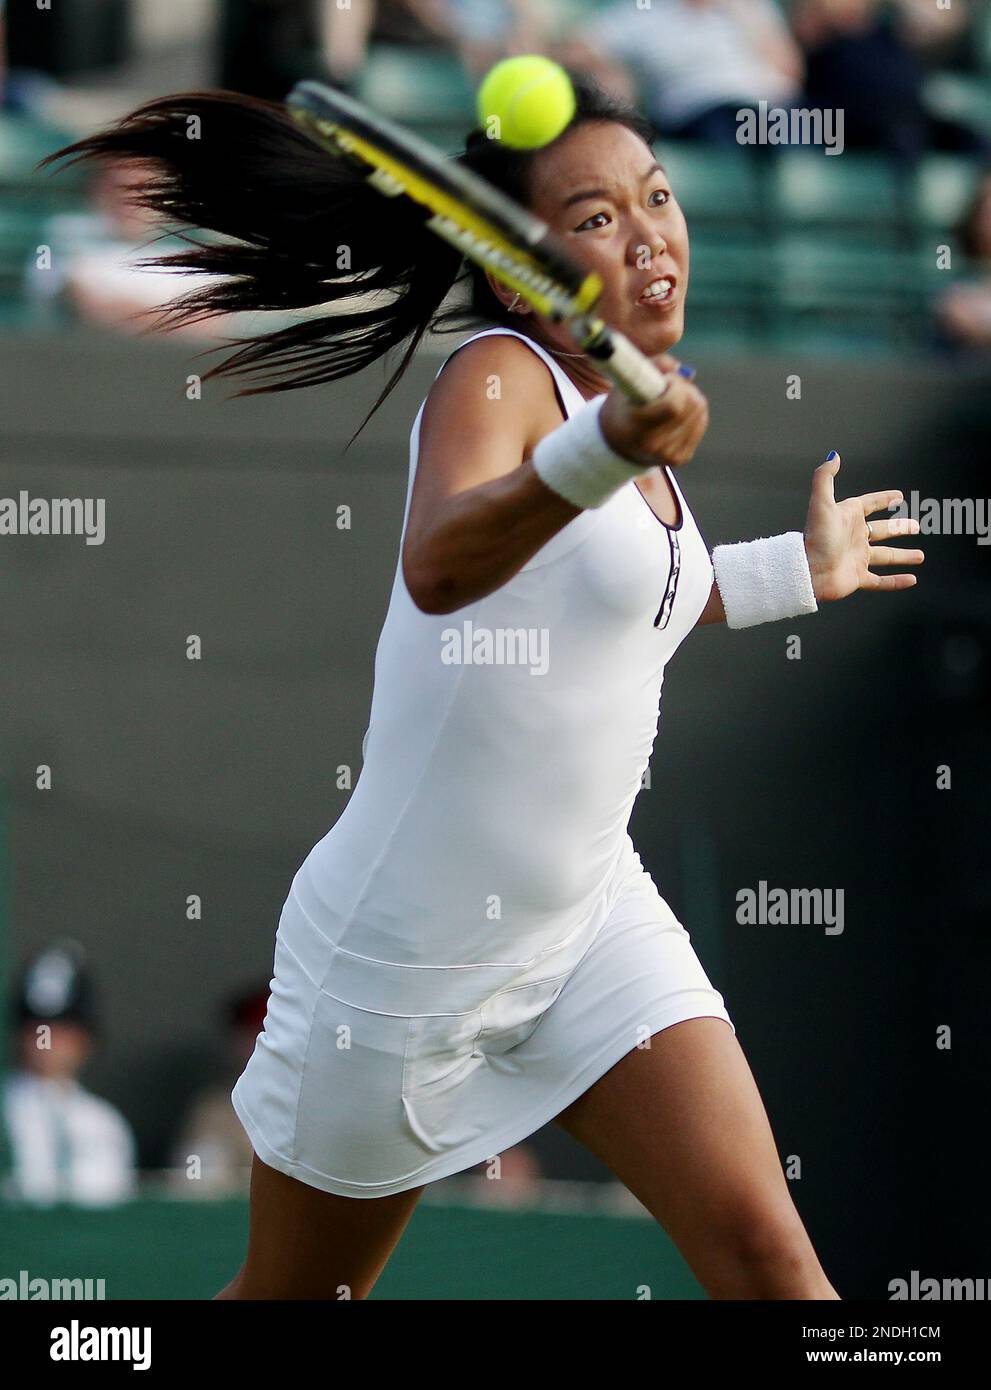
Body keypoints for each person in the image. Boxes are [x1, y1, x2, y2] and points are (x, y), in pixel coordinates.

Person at [45, 73, 924, 1299]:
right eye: (597, 214)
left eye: (656, 196)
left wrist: (793, 570)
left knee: (769, 1259)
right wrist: (602, 448)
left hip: (586, 926)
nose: (650, 228)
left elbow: (628, 604)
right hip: (398, 966)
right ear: (518, 271)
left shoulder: (626, 420)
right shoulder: (501, 378)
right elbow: (443, 562)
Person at [2, 940, 137, 1207]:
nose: (47, 1041)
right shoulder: (6, 1109)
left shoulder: (105, 1124)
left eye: (64, 1029)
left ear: (86, 1039)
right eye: (36, 1026)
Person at [567, 0, 803, 144]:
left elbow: (791, 74)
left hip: (766, 110)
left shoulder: (750, 8)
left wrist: (748, 19)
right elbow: (578, 48)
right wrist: (610, 68)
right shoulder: (642, 12)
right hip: (698, 115)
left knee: (798, 133)